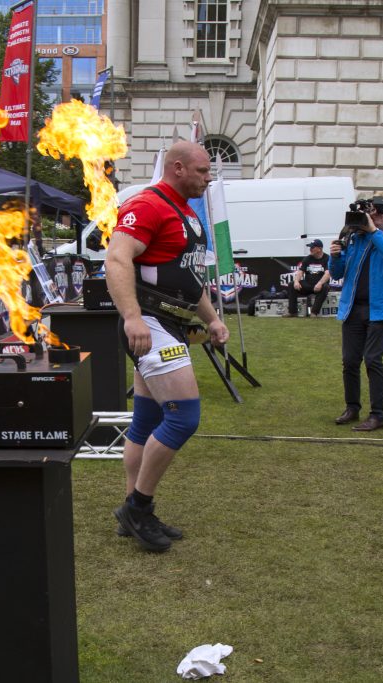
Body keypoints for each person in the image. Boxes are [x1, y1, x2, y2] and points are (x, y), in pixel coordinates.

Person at [105, 141, 230, 553]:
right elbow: (117, 259)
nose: (208, 178)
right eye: (202, 171)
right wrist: (132, 318)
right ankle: (138, 508)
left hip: (171, 322)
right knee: (183, 417)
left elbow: (188, 278)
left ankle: (131, 508)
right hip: (152, 324)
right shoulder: (148, 205)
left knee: (146, 420)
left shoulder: (186, 211)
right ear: (177, 168)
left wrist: (211, 319)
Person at [329, 193, 383, 432]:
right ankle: (352, 408)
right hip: (354, 307)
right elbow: (337, 273)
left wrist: (374, 232)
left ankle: (378, 415)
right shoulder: (357, 238)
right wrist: (334, 257)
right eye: (372, 210)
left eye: (381, 210)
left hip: (382, 310)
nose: (375, 214)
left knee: (373, 360)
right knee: (350, 361)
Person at [289, 239, 331, 317]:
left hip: (320, 287)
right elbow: (301, 272)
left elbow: (328, 274)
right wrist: (296, 281)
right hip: (308, 285)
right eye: (310, 247)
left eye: (312, 247)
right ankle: (292, 312)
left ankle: (314, 313)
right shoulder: (307, 258)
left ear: (319, 248)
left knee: (326, 287)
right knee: (291, 284)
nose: (310, 249)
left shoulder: (327, 258)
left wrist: (320, 283)